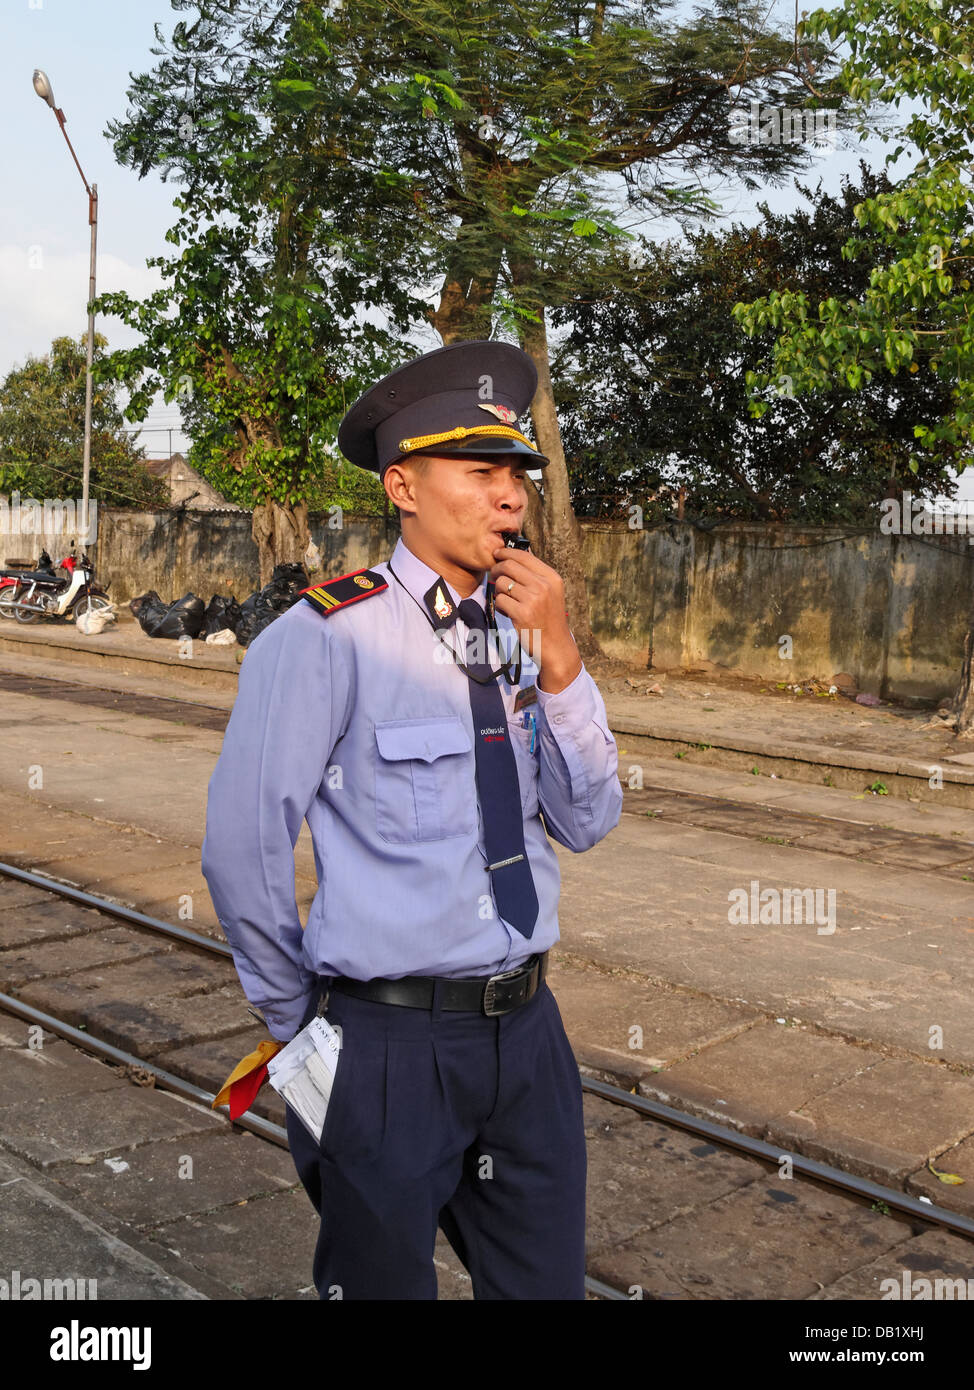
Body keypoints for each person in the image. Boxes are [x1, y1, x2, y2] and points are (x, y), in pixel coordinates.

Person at [201, 338, 622, 1300]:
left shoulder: (525, 635)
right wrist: (301, 1026)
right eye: (481, 472)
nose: (513, 494)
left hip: (528, 1037)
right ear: (402, 486)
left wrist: (561, 660)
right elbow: (241, 849)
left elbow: (589, 818)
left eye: (518, 471)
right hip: (386, 1049)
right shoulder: (322, 638)